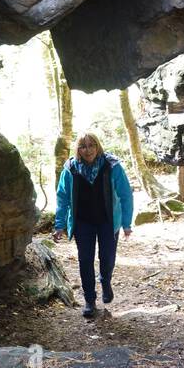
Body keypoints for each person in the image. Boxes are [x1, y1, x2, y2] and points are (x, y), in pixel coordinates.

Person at [53, 132, 135, 319]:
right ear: (78, 149)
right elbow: (62, 197)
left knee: (107, 258)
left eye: (91, 145)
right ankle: (89, 300)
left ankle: (105, 280)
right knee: (85, 261)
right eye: (83, 146)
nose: (88, 150)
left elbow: (125, 195)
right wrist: (59, 225)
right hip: (83, 223)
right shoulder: (71, 168)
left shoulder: (111, 166)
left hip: (108, 221)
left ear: (97, 146)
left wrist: (126, 223)